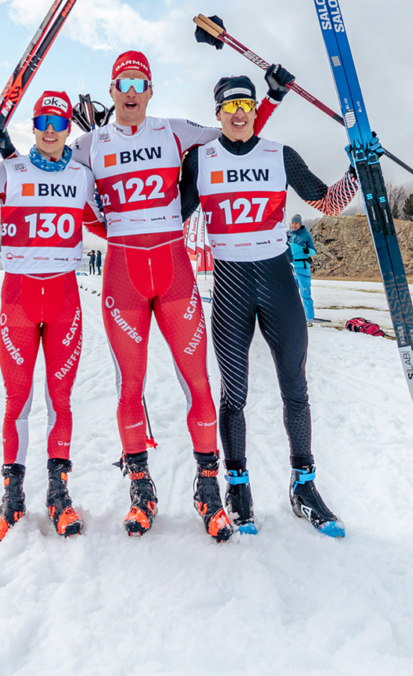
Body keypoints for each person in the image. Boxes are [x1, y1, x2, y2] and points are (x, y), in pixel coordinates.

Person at [70, 50, 283, 541]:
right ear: (111, 91)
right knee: (129, 386)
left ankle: (208, 490)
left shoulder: (175, 131)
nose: (130, 91)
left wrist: (269, 99)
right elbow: (44, 169)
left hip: (174, 275)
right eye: (122, 83)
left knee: (199, 384)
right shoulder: (88, 144)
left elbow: (237, 135)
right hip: (123, 276)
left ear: (150, 90)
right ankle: (141, 490)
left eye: (138, 83)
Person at [179, 74, 359, 538]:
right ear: (217, 113)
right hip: (231, 284)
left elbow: (329, 202)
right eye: (230, 106)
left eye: (246, 104)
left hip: (278, 280)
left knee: (295, 388)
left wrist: (357, 170)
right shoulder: (200, 159)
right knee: (233, 394)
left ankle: (304, 487)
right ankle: (238, 487)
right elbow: (168, 217)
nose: (238, 112)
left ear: (256, 110)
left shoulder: (281, 155)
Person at [0, 91, 102, 545]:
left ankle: (59, 494)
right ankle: (12, 499)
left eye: (59, 123)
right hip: (18, 300)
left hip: (64, 300)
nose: (51, 131)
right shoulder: (10, 171)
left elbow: (107, 223)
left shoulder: (82, 176)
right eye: (43, 122)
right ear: (34, 126)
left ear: (67, 128)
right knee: (17, 402)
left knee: (60, 401)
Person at [288, 215, 317, 321]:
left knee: (305, 294)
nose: (294, 225)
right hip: (291, 268)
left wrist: (307, 251)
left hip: (302, 268)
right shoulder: (289, 234)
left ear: (300, 224)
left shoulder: (306, 235)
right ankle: (293, 318)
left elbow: (313, 251)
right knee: (291, 295)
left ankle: (309, 318)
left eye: (296, 223)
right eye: (292, 223)